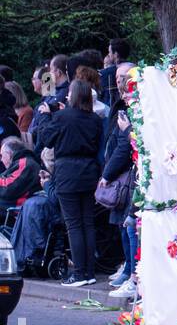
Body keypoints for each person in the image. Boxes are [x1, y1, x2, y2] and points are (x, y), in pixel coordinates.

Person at [35, 78, 103, 288]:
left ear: (73, 95)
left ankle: (79, 273)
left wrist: (46, 116)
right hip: (89, 172)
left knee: (73, 225)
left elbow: (46, 139)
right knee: (87, 223)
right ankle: (89, 272)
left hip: (68, 173)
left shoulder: (62, 116)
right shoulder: (95, 119)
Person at [99, 94, 136, 295]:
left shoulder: (131, 116)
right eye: (118, 79)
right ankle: (129, 269)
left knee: (129, 225)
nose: (121, 84)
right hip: (124, 176)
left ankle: (132, 274)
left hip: (129, 177)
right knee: (125, 224)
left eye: (125, 79)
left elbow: (125, 147)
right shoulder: (121, 109)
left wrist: (107, 173)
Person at [10, 152, 62, 270]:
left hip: (58, 210)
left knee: (34, 206)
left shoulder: (62, 172)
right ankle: (28, 253)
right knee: (31, 205)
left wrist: (47, 184)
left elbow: (56, 198)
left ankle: (34, 251)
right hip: (47, 206)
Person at [0, 136, 41, 211]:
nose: (1, 160)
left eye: (2, 155)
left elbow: (8, 188)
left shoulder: (24, 163)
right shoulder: (21, 162)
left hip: (17, 207)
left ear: (9, 154)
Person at [101, 38, 130, 110]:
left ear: (116, 54)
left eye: (110, 52)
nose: (109, 54)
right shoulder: (135, 67)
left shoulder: (107, 73)